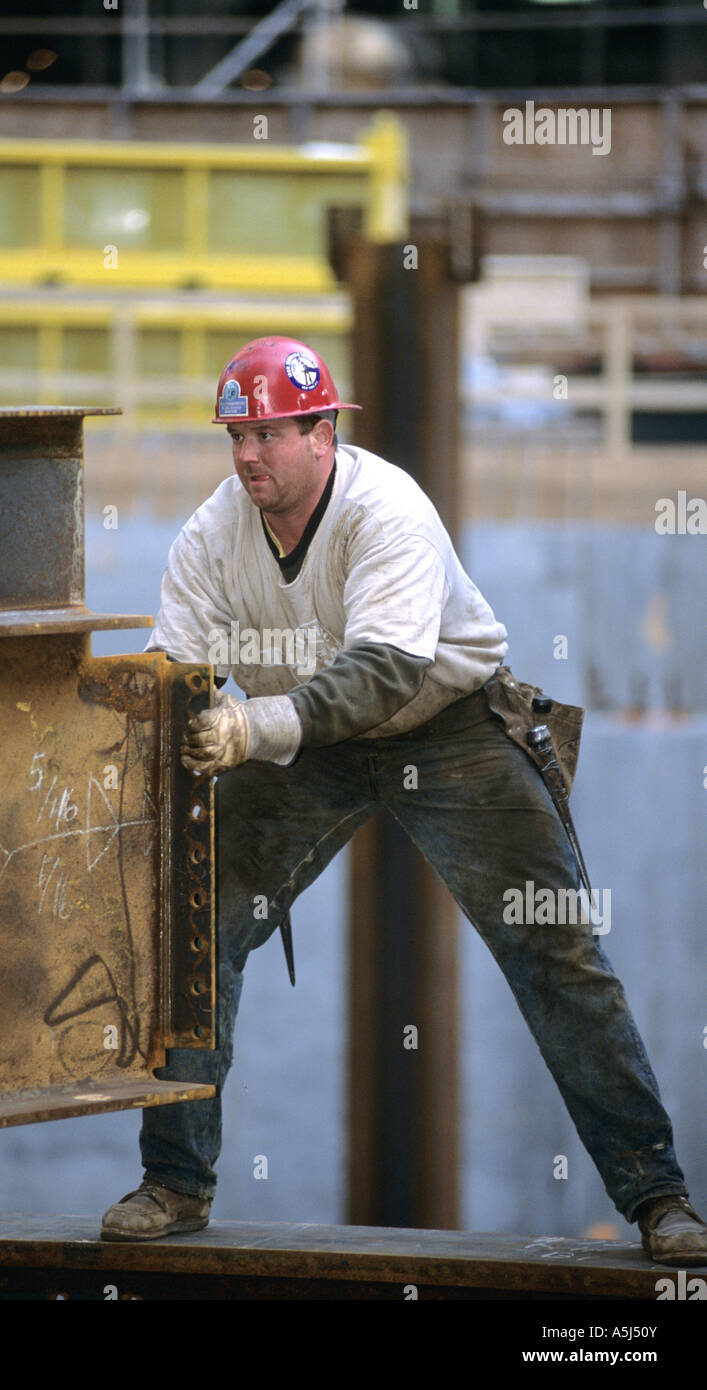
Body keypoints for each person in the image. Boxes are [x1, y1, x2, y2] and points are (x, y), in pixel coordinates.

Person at [100, 336, 707, 1266]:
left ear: (322, 434)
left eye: (268, 436)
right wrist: (180, 718)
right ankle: (175, 1182)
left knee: (554, 949)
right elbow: (179, 671)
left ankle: (658, 1198)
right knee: (193, 925)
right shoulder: (212, 536)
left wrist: (248, 729)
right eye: (236, 437)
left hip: (444, 725)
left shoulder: (385, 511)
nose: (248, 457)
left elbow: (383, 673)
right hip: (301, 739)